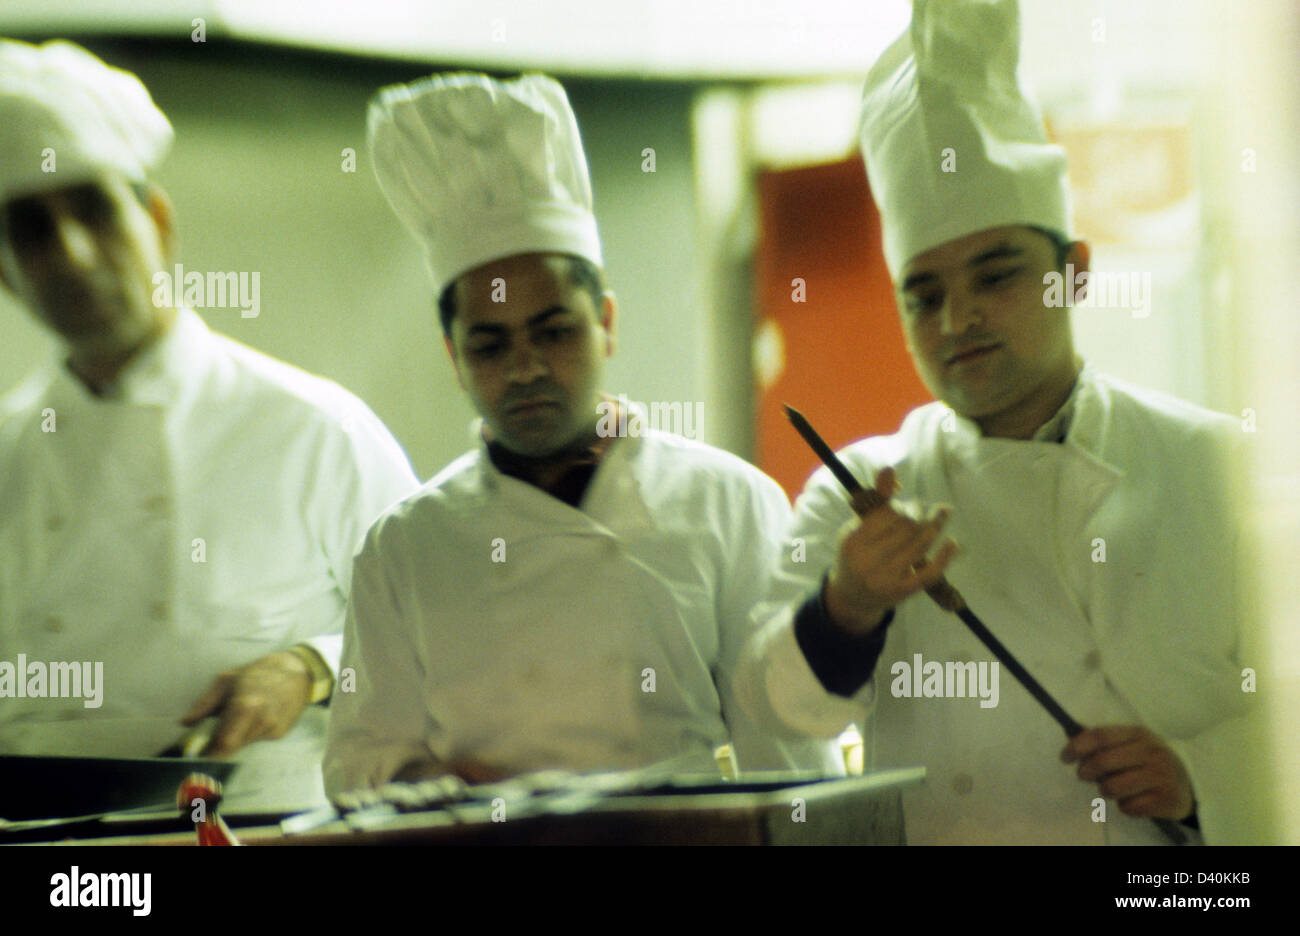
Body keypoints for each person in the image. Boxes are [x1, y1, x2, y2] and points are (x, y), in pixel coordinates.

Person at [732, 0, 1248, 844]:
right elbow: (776, 709)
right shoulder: (862, 491)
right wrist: (848, 605)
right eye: (924, 295)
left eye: (996, 276)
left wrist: (1201, 780)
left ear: (1074, 273)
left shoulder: (1217, 465)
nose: (957, 320)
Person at [323, 72, 842, 794]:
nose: (527, 367)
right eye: (490, 345)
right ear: (454, 359)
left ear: (607, 324)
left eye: (555, 331)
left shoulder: (731, 503)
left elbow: (788, 757)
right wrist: (456, 788)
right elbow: (360, 763)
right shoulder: (405, 547)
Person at [0, 40, 419, 811]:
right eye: (31, 228)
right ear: (4, 273)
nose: (71, 252)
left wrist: (314, 666)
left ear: (158, 221)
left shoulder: (314, 430)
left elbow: (448, 635)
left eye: (94, 207)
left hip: (263, 827)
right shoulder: (6, 455)